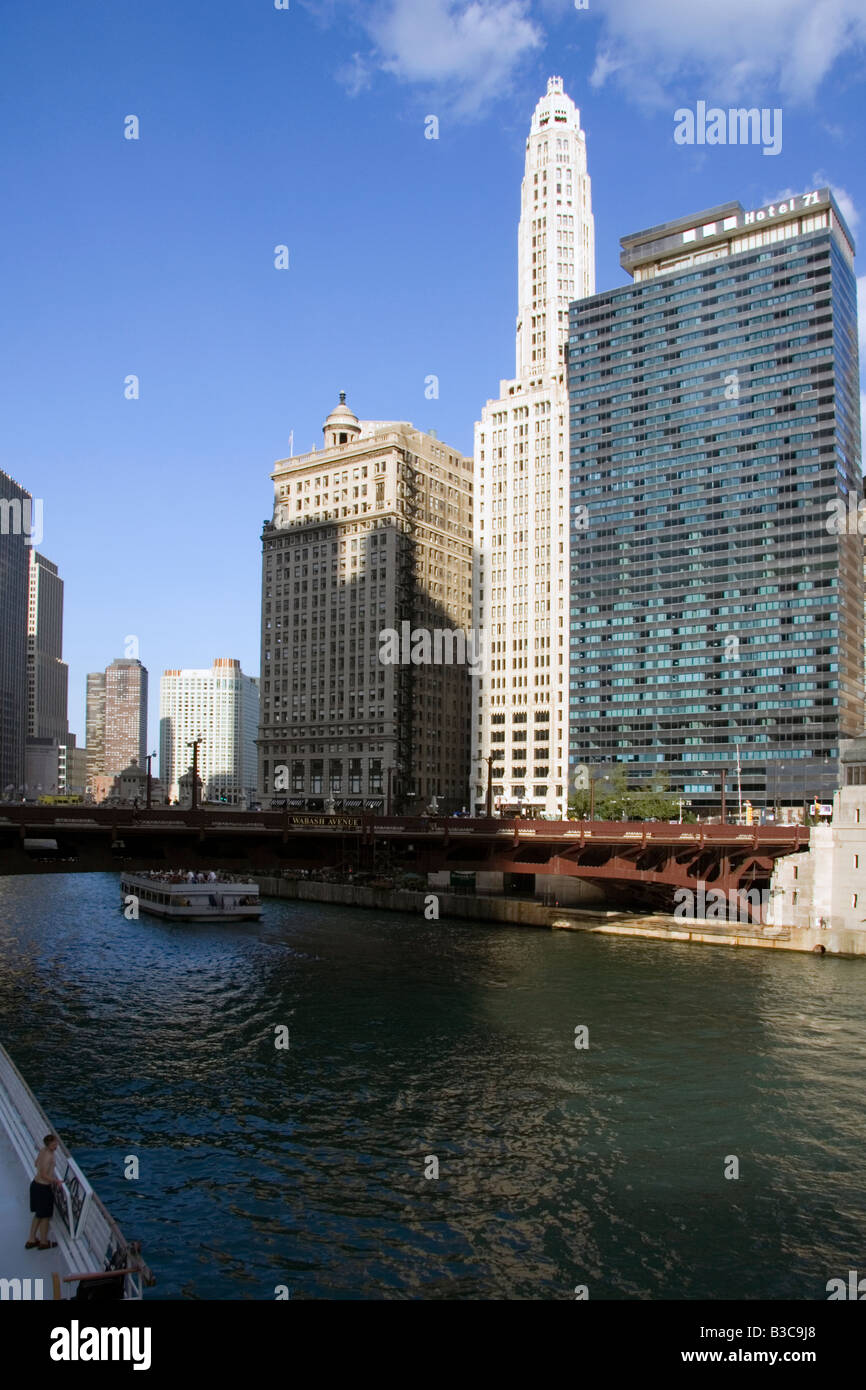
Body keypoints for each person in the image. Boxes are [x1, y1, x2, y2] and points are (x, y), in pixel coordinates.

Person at [26, 1133, 59, 1250]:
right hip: (42, 1188)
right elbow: (43, 1174)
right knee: (45, 1216)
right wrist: (56, 1181)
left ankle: (31, 1239)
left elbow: (36, 1164)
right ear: (50, 1144)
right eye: (55, 1143)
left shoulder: (42, 1151)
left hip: (35, 1185)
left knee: (38, 1215)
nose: (57, 1145)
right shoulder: (49, 1156)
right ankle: (44, 1242)